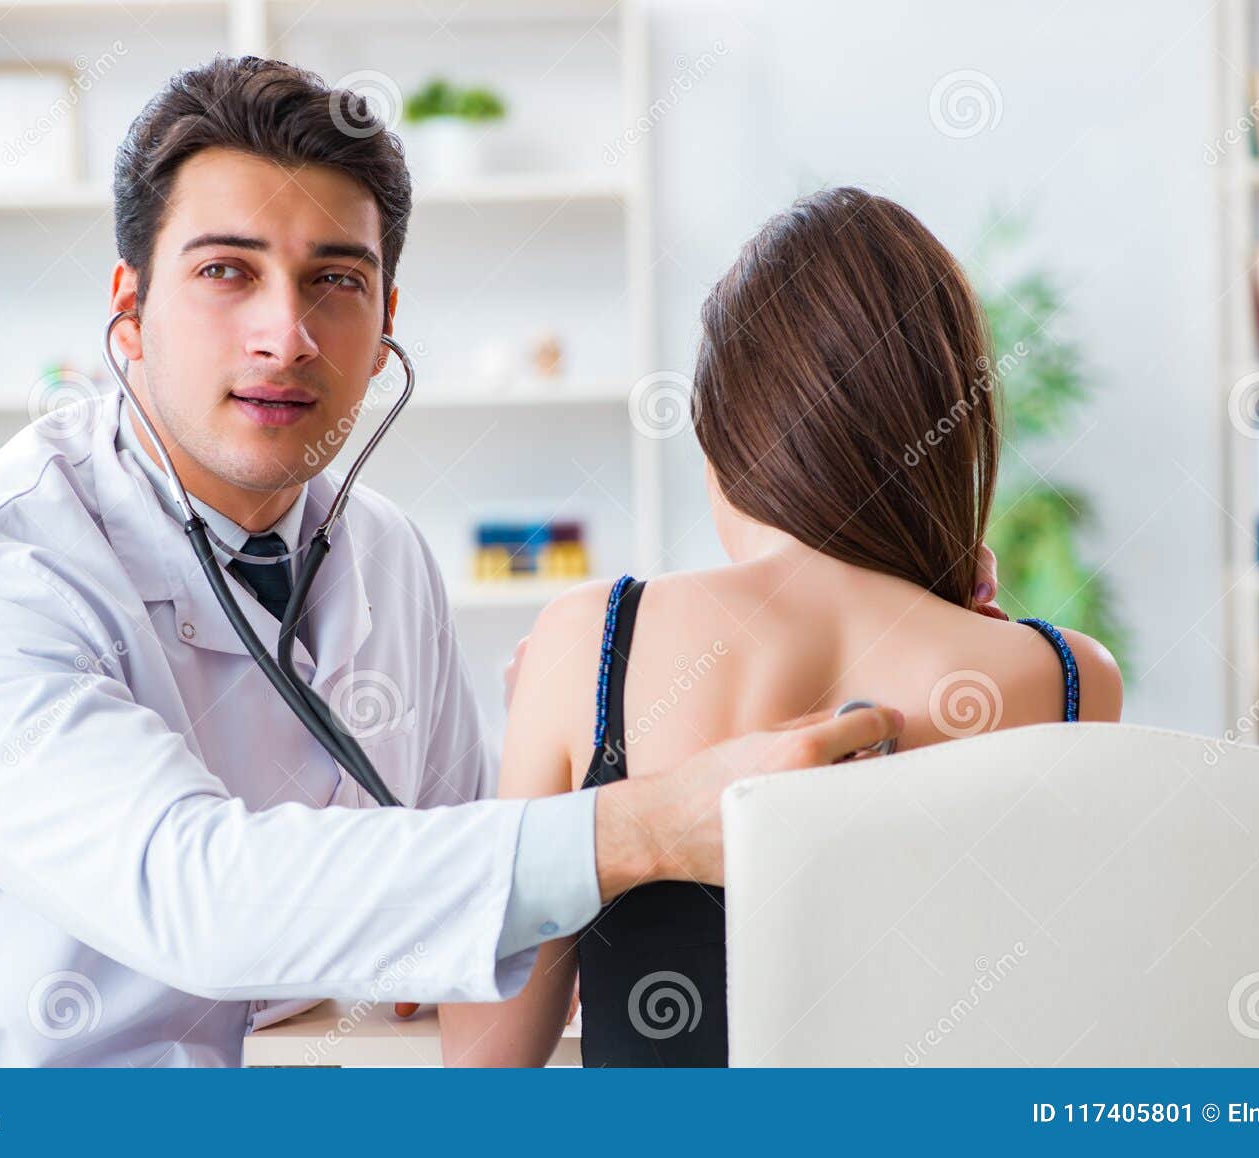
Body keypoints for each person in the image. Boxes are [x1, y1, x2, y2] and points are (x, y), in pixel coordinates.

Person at [0, 60, 912, 1067]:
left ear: (384, 327)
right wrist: (647, 821)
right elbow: (199, 897)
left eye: (336, 279)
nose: (288, 335)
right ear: (127, 313)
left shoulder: (379, 554)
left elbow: (451, 889)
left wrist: (567, 742)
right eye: (227, 272)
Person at [439, 187, 1122, 1068]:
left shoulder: (593, 642)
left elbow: (485, 1067)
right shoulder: (1070, 675)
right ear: (949, 430)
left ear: (723, 435)